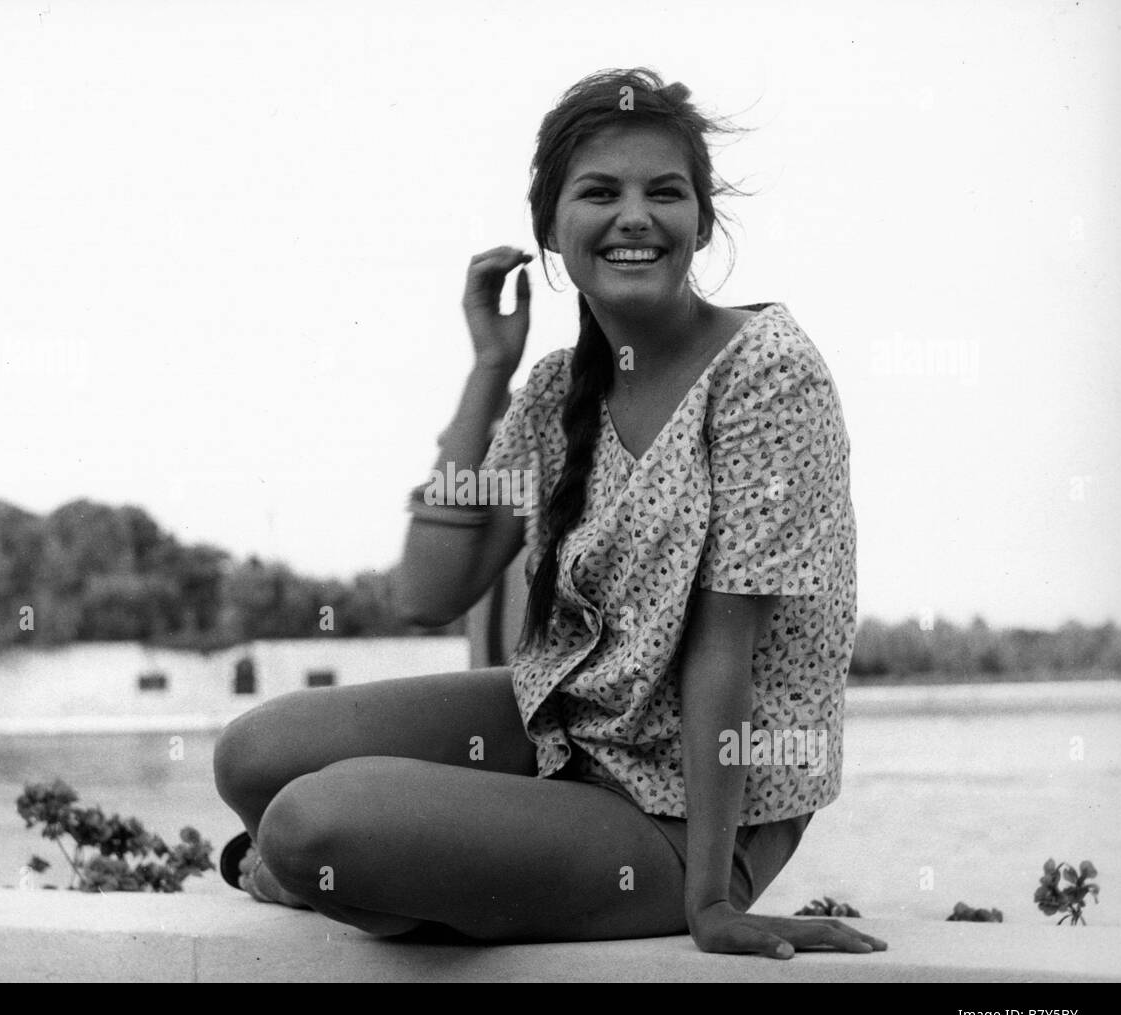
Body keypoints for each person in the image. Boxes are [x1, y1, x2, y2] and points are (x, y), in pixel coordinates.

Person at [213, 67, 885, 959]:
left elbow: (726, 655)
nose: (635, 216)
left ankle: (350, 873)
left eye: (665, 193)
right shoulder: (557, 391)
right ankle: (438, 880)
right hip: (563, 731)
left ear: (704, 223)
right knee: (252, 755)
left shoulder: (769, 376)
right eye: (600, 192)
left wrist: (712, 901)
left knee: (308, 823)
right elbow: (428, 589)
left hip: (687, 810)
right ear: (551, 233)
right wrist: (488, 369)